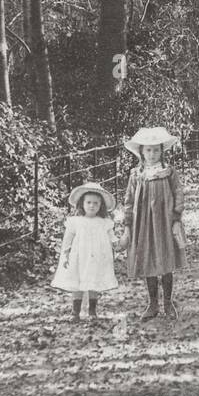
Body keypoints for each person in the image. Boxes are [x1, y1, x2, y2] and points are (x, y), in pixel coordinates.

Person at [120, 126, 186, 320]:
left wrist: (176, 218)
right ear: (141, 152)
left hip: (165, 223)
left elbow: (178, 194)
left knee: (165, 261)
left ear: (162, 151)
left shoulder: (169, 172)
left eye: (156, 150)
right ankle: (153, 303)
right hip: (144, 225)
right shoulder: (136, 174)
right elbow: (129, 200)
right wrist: (127, 225)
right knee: (148, 261)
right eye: (148, 150)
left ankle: (168, 303)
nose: (152, 154)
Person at [51, 182, 118, 321]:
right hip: (79, 257)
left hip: (97, 257)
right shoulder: (75, 221)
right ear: (82, 204)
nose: (92, 206)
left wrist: (120, 244)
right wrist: (66, 254)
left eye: (96, 203)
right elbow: (67, 240)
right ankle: (75, 312)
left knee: (94, 281)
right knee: (77, 282)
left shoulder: (104, 222)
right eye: (89, 202)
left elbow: (113, 239)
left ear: (101, 205)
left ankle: (92, 311)